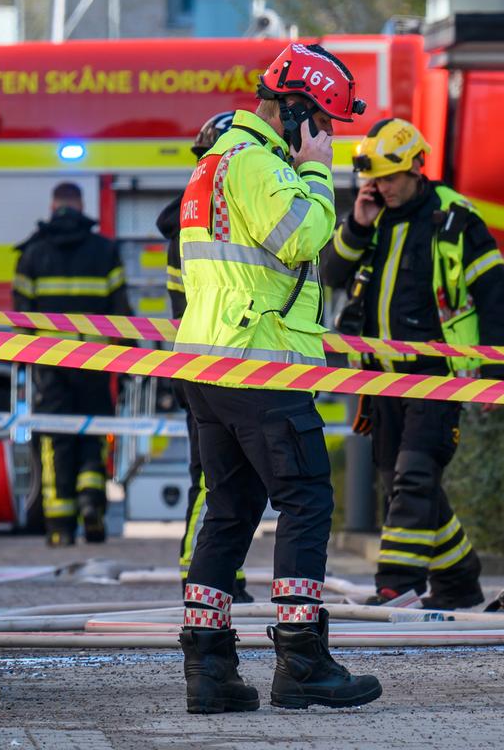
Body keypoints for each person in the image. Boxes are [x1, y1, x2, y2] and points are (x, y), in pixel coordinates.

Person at [174, 43, 380, 713]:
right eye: (324, 126)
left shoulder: (214, 163)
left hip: (209, 362)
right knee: (307, 500)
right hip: (259, 362)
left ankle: (210, 673)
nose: (325, 140)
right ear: (299, 115)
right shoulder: (261, 165)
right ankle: (302, 659)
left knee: (230, 512)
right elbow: (302, 238)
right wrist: (320, 174)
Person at [319, 117, 504, 610]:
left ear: (415, 168)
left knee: (414, 477)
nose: (380, 188)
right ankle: (459, 580)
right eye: (374, 180)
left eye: (388, 178)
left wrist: (496, 371)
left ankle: (397, 584)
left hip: (438, 375)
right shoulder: (372, 216)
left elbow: (494, 295)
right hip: (381, 377)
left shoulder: (455, 218)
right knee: (404, 483)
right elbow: (332, 273)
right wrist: (356, 225)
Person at [156, 110, 251, 604]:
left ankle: (216, 572)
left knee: (222, 475)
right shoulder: (199, 229)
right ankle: (202, 572)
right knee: (213, 476)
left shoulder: (192, 224)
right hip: (214, 363)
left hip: (203, 363)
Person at [14, 182, 132, 547]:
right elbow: (121, 312)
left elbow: (22, 318)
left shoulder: (32, 254)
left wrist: (24, 360)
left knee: (55, 442)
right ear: (80, 205)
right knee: (92, 436)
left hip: (50, 364)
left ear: (54, 206)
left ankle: (60, 526)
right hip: (94, 362)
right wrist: (128, 359)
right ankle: (91, 503)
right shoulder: (105, 251)